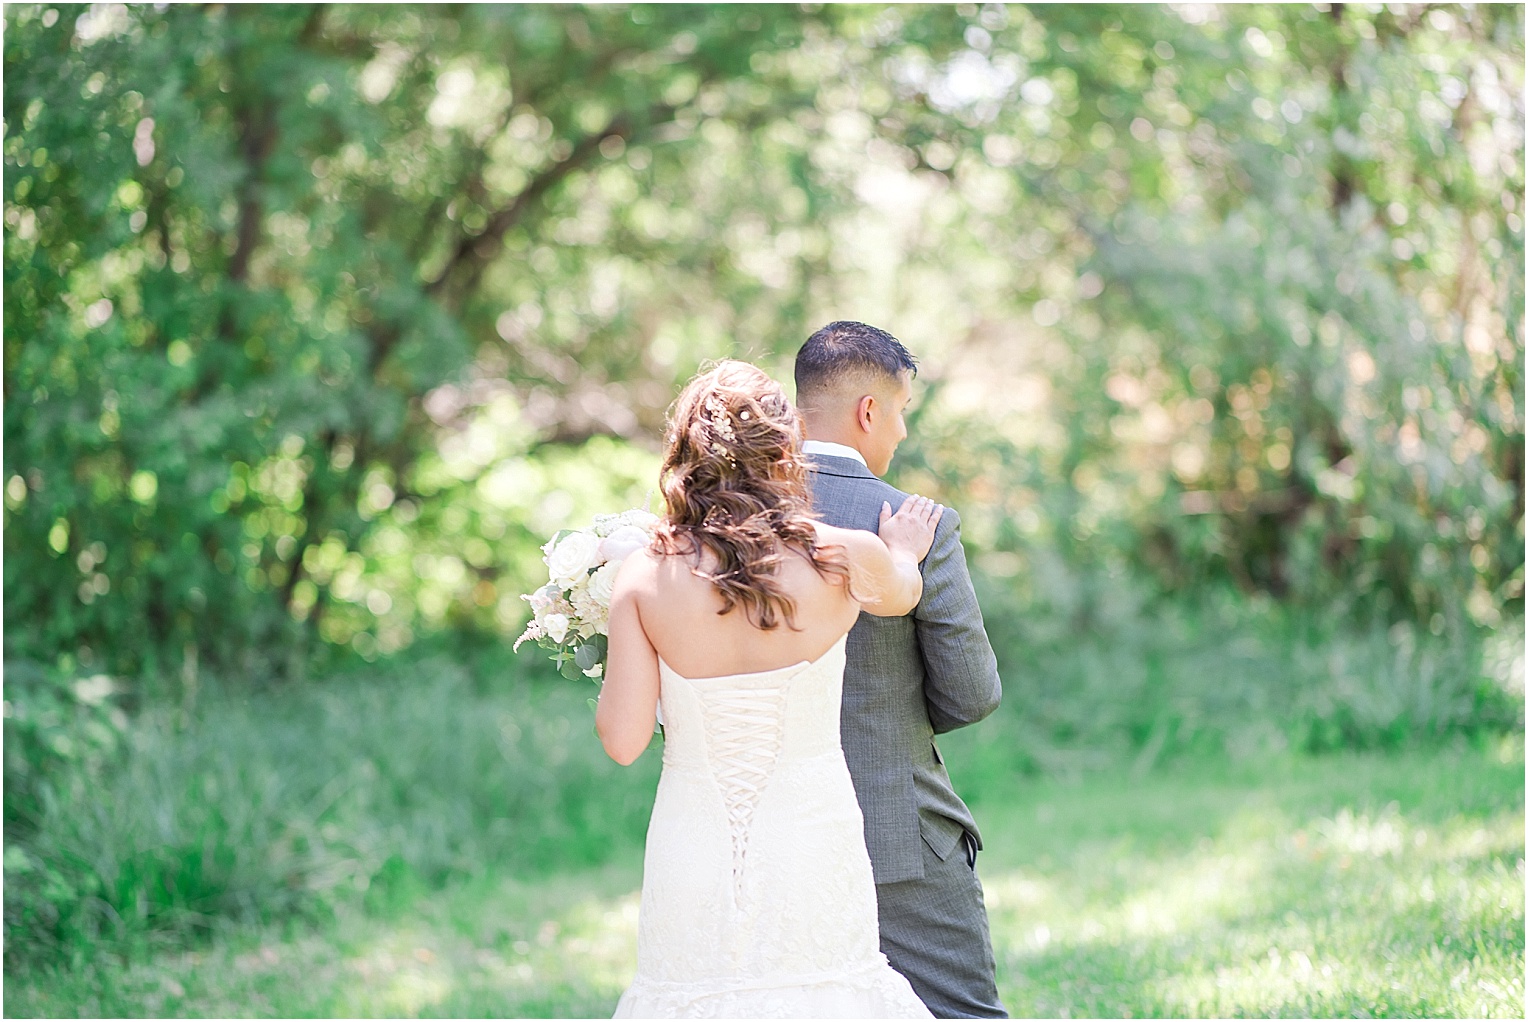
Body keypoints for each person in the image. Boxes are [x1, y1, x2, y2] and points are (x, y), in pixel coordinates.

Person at [597, 359, 944, 1018]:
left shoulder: (642, 578)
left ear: (684, 457)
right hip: (814, 830)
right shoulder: (843, 557)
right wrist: (899, 550)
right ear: (785, 451)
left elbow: (622, 740)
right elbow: (903, 593)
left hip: (690, 839)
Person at [794, 320, 1007, 1019]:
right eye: (903, 411)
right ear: (868, 411)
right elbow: (972, 692)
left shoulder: (722, 523)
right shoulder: (917, 521)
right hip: (893, 831)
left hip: (768, 841)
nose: (903, 433)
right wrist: (896, 717)